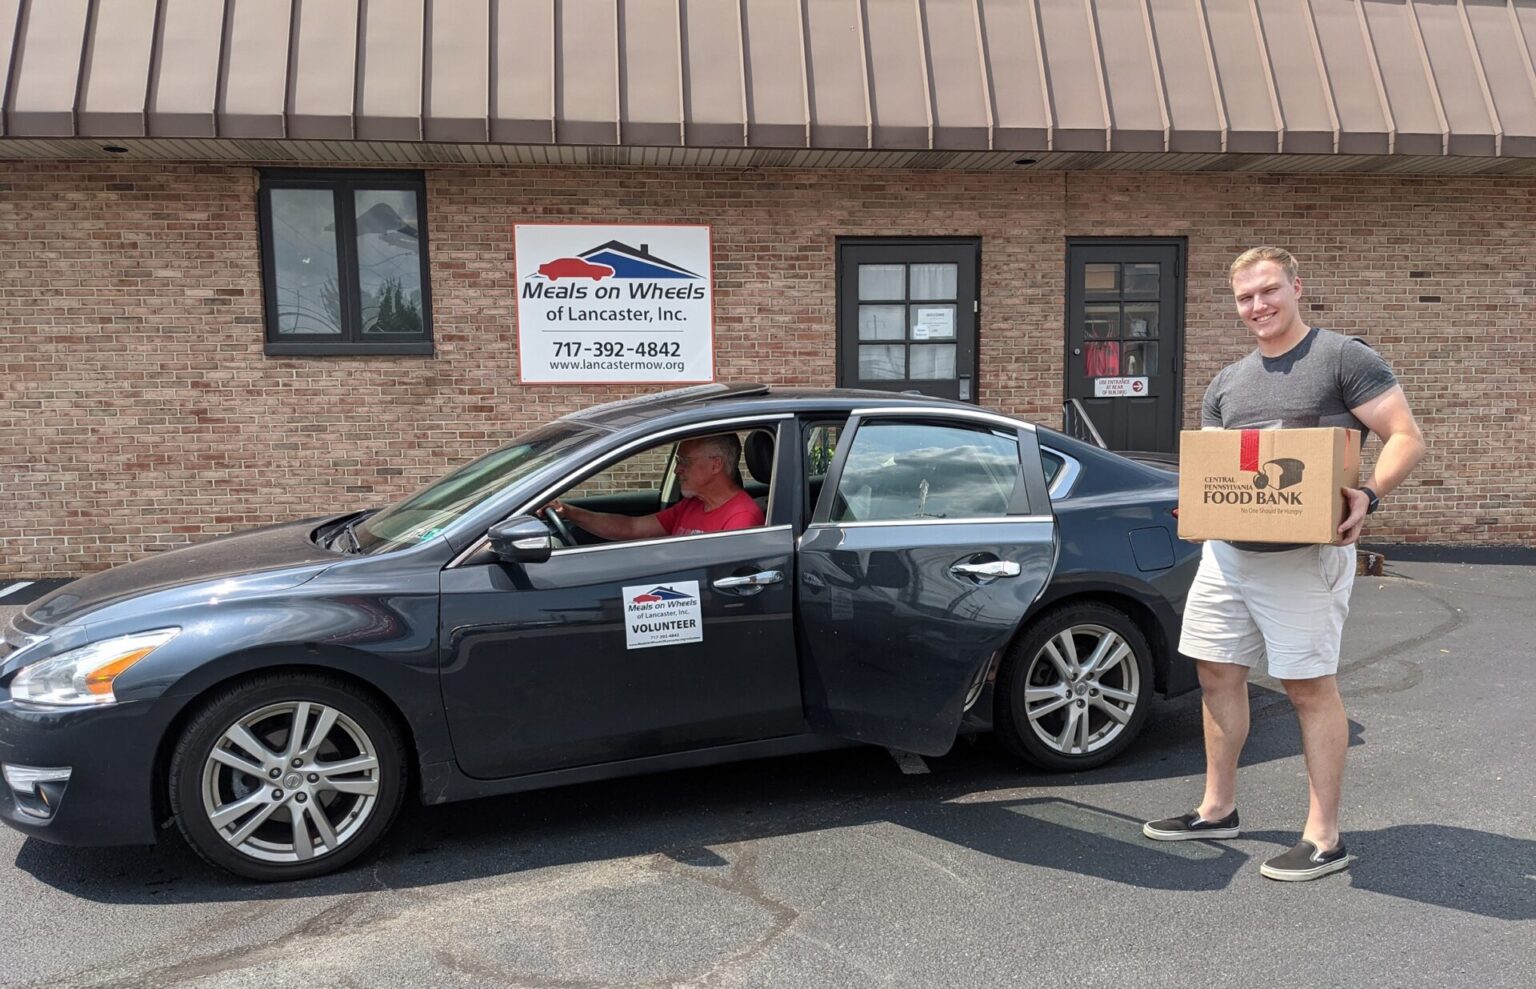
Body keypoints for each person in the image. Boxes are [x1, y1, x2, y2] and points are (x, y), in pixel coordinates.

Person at [1143, 247, 1425, 881]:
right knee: (1216, 673)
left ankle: (1324, 838)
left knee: (1307, 688)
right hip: (1227, 558)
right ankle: (1218, 809)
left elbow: (1406, 434)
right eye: (1245, 298)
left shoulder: (1343, 358)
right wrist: (1200, 510)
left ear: (1296, 287)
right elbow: (1223, 471)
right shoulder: (1227, 383)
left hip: (1306, 558)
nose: (1258, 306)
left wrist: (1369, 494)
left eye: (1269, 291)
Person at [548, 433, 764, 540]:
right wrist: (569, 512)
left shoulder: (742, 518)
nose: (677, 470)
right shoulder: (693, 505)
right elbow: (631, 528)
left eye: (684, 462)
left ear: (715, 465)